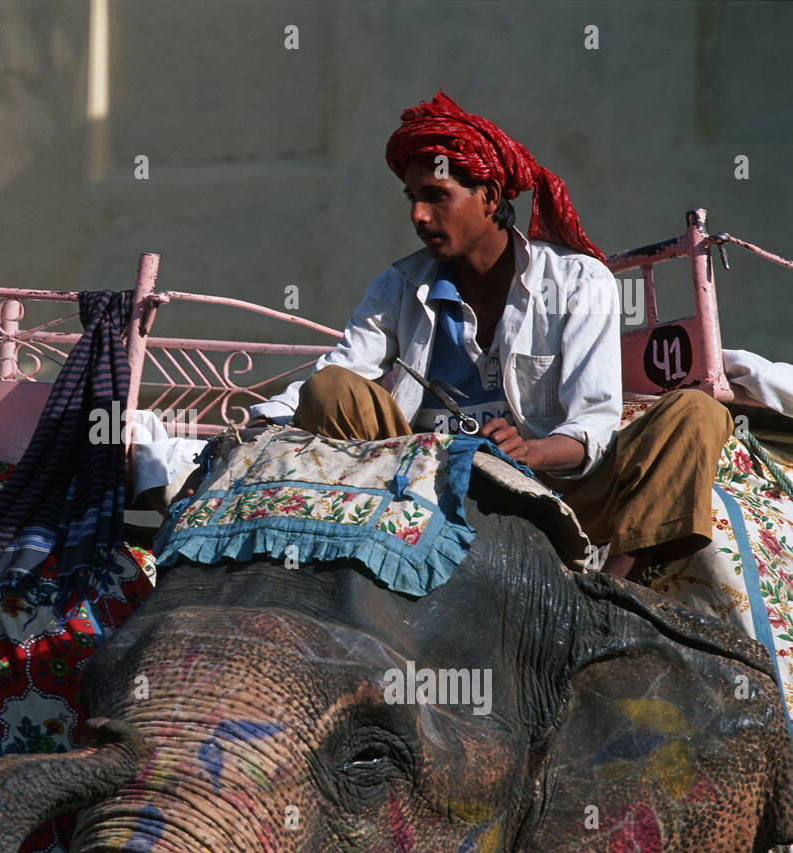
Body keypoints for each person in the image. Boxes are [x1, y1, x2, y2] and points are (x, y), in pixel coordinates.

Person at [248, 92, 733, 580]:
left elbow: (592, 422)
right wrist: (255, 428)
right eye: (412, 199)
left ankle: (617, 594)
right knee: (329, 388)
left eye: (436, 196)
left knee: (696, 413)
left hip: (553, 489)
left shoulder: (579, 281)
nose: (418, 215)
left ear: (490, 197)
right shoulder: (396, 288)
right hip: (425, 485)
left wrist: (528, 449)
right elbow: (340, 372)